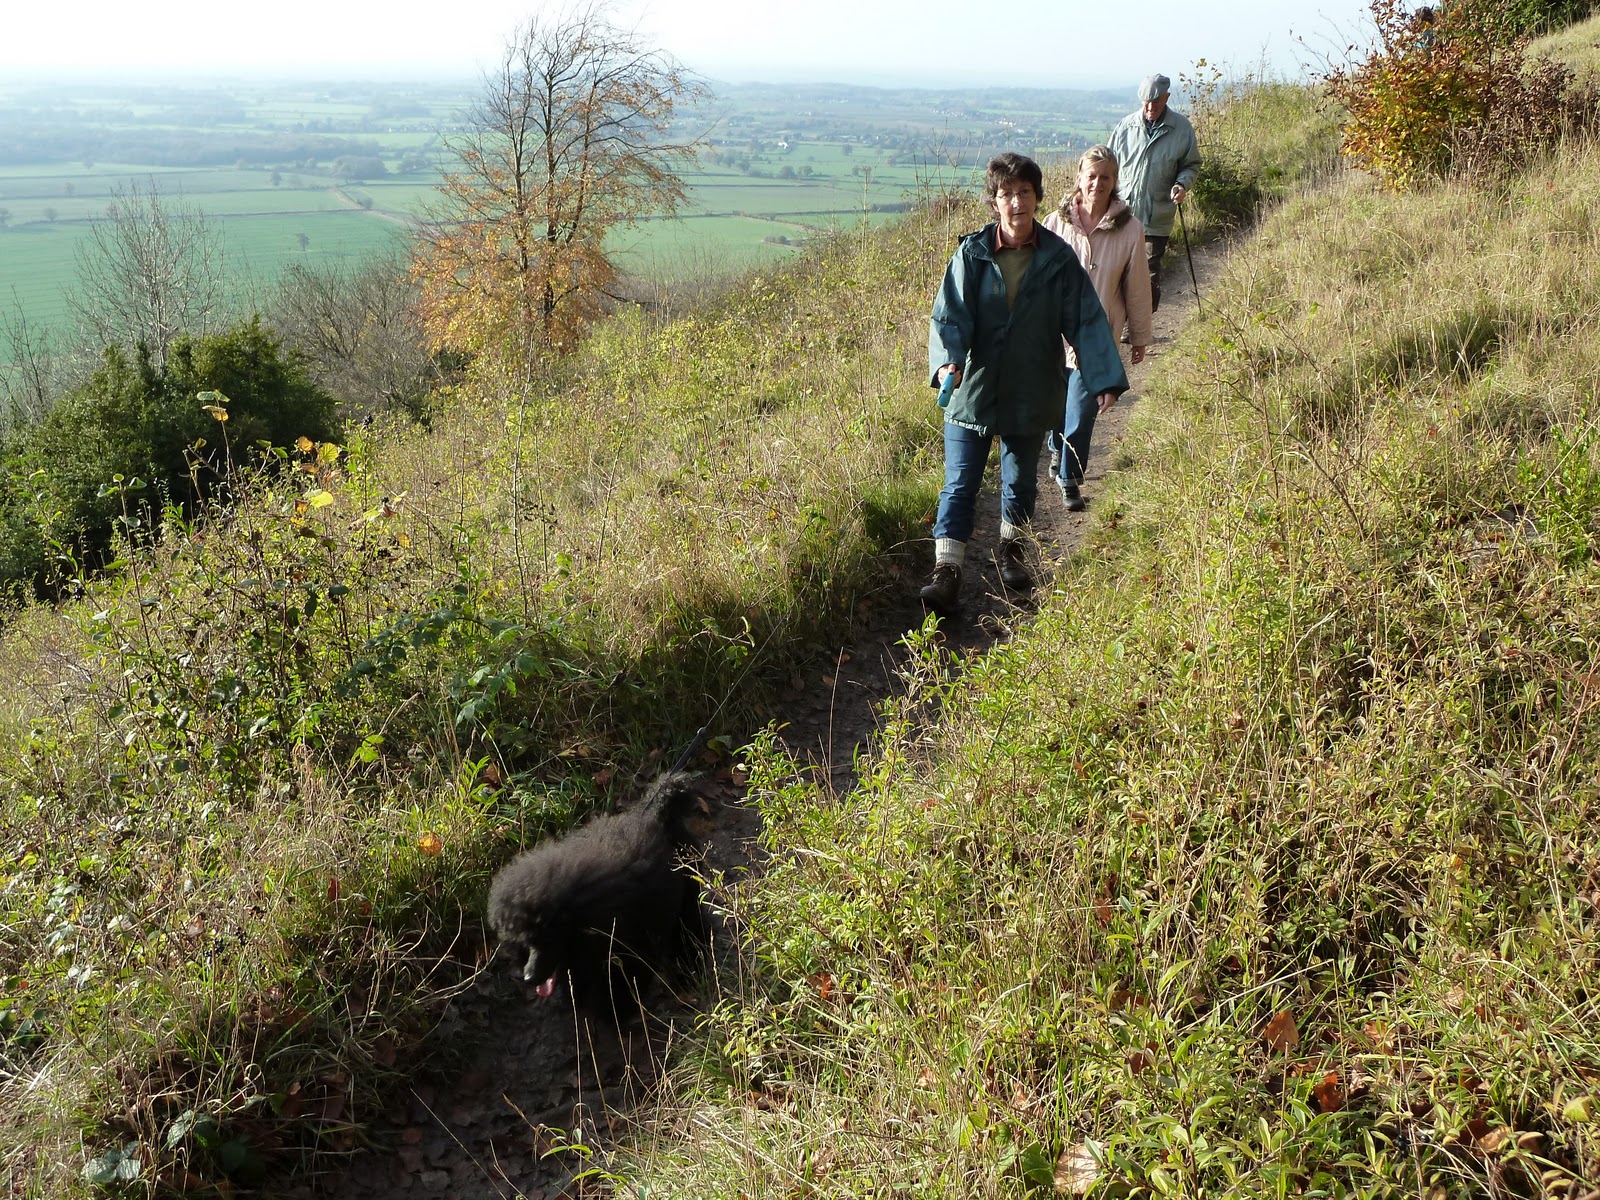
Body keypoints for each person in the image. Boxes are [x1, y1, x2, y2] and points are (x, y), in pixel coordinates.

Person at [922, 152, 1129, 616]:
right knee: (959, 482)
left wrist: (1103, 378)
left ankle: (1012, 553)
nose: (1016, 203)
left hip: (1033, 384)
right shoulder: (972, 254)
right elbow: (948, 316)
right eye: (1006, 194)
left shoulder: (1057, 259)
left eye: (1024, 193)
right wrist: (946, 364)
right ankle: (946, 570)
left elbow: (1087, 320)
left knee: (1019, 481)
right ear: (994, 202)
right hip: (973, 388)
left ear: (1037, 198)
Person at [1041, 144, 1153, 512]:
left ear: (1115, 181)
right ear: (1078, 177)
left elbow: (1137, 287)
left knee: (1082, 410)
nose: (1097, 183)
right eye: (1091, 176)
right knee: (1056, 406)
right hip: (1051, 336)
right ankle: (1057, 449)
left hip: (1096, 337)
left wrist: (1139, 337)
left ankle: (1070, 478)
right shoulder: (1056, 223)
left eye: (1105, 177)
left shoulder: (1130, 229)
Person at [1107, 73, 1201, 313]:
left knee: (1148, 274)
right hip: (1122, 215)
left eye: (1155, 101)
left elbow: (1191, 165)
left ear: (1167, 97)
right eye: (1145, 102)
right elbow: (1107, 165)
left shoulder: (1181, 129)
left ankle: (1140, 326)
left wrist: (1182, 184)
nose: (1150, 107)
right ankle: (1119, 323)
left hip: (1156, 215)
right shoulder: (1125, 127)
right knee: (1117, 272)